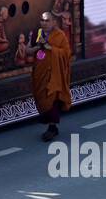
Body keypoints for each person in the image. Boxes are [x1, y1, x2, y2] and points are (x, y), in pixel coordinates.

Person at [22, 11, 71, 142]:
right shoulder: (37, 34)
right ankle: (49, 123)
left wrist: (50, 47)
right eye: (42, 20)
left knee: (52, 97)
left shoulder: (59, 36)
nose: (44, 23)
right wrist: (39, 46)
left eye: (47, 20)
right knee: (41, 96)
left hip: (54, 73)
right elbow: (28, 50)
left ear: (54, 22)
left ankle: (52, 127)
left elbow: (66, 54)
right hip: (40, 72)